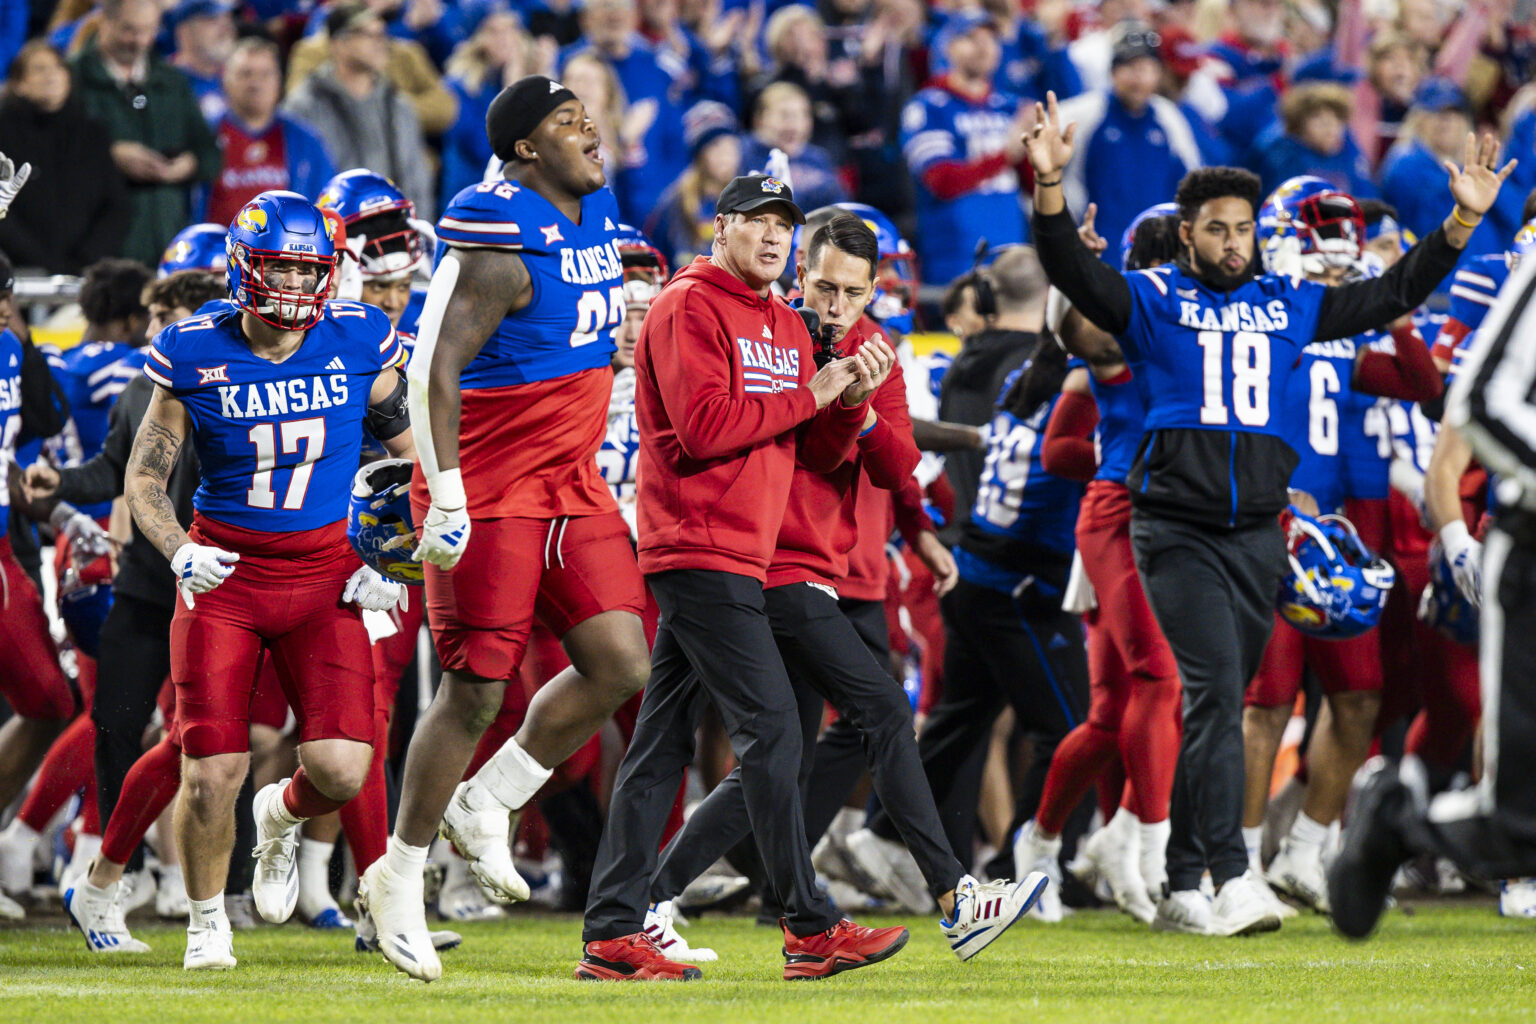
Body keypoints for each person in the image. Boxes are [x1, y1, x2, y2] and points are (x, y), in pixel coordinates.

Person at [1026, 89, 1512, 937]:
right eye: (1215, 228)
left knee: (1214, 704)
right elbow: (1075, 274)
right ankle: (1230, 875)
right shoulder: (1151, 299)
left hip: (1258, 531)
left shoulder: (1292, 302)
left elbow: (1391, 291)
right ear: (1187, 233)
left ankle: (1181, 880)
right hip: (1173, 528)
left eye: (1242, 227)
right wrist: (1050, 193)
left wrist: (1461, 227)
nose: (1231, 242)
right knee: (1216, 693)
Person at [638, 213, 1043, 962]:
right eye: (824, 287)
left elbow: (896, 461)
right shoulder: (772, 338)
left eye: (852, 293)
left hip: (828, 561)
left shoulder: (870, 348)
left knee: (779, 752)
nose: (835, 306)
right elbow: (774, 441)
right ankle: (955, 895)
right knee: (882, 707)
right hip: (774, 562)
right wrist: (836, 401)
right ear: (800, 277)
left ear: (873, 291)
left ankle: (655, 896)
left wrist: (861, 410)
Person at [357, 76, 653, 984]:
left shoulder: (593, 219)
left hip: (571, 480)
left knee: (623, 663)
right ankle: (397, 875)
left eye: (588, 116)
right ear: (525, 149)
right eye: (567, 124)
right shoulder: (496, 233)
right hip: (491, 488)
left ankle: (492, 801)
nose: (591, 132)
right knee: (474, 690)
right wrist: (443, 495)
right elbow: (429, 371)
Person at [579, 172, 905, 982]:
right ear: (719, 227)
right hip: (698, 543)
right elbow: (703, 427)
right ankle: (808, 925)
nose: (771, 236)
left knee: (659, 747)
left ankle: (615, 932)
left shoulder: (779, 321)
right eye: (755, 222)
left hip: (742, 553)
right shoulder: (689, 304)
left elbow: (816, 454)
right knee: (776, 734)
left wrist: (845, 406)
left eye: (782, 225)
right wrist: (811, 394)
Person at [117, 189, 414, 969]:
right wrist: (178, 549)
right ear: (242, 267)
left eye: (307, 268)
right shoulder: (192, 350)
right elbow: (146, 476)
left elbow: (413, 464)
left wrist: (388, 558)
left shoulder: (357, 337)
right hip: (227, 576)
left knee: (343, 771)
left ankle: (280, 817)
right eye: (279, 265)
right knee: (211, 768)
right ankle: (207, 920)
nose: (293, 284)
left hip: (324, 575)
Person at [1329, 235, 1536, 939]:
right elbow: (1473, 403)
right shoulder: (1518, 284)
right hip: (1518, 533)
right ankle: (1397, 821)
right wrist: (1457, 539)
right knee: (1515, 810)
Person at [0, 253, 77, 921]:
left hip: (2, 546)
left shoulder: (7, 345)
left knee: (50, 697)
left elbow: (49, 418)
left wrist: (20, 331)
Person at [69, 0, 221, 266]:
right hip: (100, 248)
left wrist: (188, 164)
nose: (138, 41)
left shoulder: (172, 81)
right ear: (104, 21)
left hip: (168, 243)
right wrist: (110, 156)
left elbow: (209, 153)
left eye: (147, 30)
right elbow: (53, 154)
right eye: (129, 30)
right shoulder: (73, 78)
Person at [1056, 22, 1202, 267]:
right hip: (1099, 250)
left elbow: (1190, 180)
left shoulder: (1168, 118)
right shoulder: (1083, 115)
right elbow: (1057, 182)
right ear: (1113, 72)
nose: (1138, 78)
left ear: (1158, 74)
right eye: (1129, 68)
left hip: (1159, 255)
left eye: (1146, 68)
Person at [899, 11, 1029, 286]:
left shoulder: (1012, 107)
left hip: (1011, 250)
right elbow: (942, 180)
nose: (983, 46)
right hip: (954, 257)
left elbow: (1032, 185)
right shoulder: (928, 107)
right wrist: (1006, 154)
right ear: (949, 46)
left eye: (990, 39)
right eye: (971, 38)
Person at [282, 2, 436, 220]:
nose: (380, 43)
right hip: (330, 236)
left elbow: (417, 182)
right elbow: (297, 183)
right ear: (338, 43)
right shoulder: (304, 106)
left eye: (382, 34)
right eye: (368, 35)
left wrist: (417, 232)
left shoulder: (399, 105)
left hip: (393, 237)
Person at [936, 245, 1049, 528]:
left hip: (960, 545)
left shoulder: (961, 362)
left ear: (987, 297)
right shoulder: (1038, 367)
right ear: (1051, 294)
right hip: (1015, 553)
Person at [0, 40, 129, 274]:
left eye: (58, 67)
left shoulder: (92, 132)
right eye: (39, 69)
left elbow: (114, 205)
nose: (51, 76)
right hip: (18, 271)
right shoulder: (4, 132)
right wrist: (42, 261)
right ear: (18, 84)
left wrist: (87, 259)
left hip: (84, 271)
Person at [200, 38, 336, 229]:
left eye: (266, 74)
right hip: (217, 255)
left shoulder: (307, 142)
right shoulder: (203, 136)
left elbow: (325, 208)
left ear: (279, 81)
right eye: (245, 74)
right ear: (225, 80)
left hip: (286, 255)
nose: (255, 83)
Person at [648, 100, 742, 270]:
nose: (725, 153)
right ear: (699, 154)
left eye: (730, 144)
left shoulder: (747, 199)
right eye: (715, 145)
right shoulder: (675, 204)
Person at [739, 82, 848, 214]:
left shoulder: (819, 158)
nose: (793, 124)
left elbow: (841, 209)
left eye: (802, 115)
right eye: (784, 115)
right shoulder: (741, 153)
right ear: (760, 119)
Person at [167, 0, 237, 125]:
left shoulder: (241, 79)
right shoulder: (163, 84)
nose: (226, 26)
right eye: (212, 19)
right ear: (184, 32)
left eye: (228, 17)